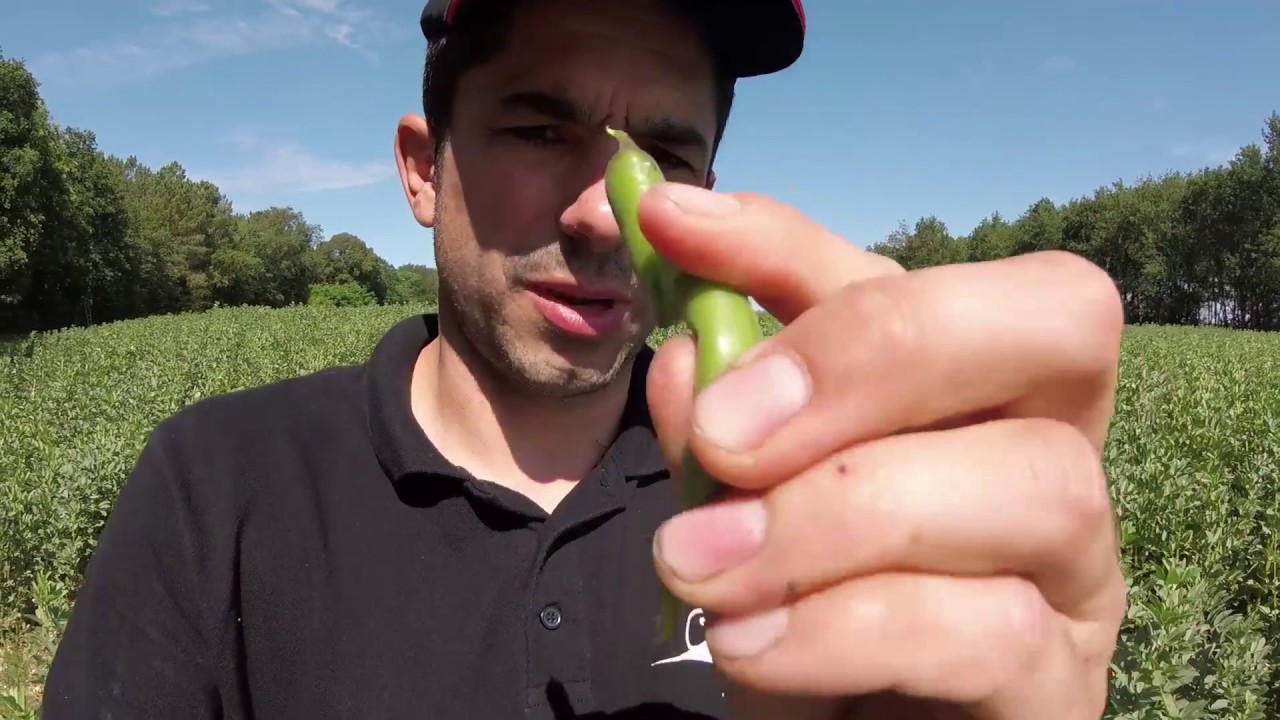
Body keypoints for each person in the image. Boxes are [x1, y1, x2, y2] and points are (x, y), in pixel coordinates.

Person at [41, 0, 1129, 717]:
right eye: (536, 130)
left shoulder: (805, 503)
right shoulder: (219, 483)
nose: (605, 217)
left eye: (662, 158)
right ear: (424, 169)